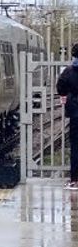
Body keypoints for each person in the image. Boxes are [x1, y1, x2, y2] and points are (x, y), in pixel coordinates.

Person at [56, 45, 78, 189]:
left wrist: (66, 95)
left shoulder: (68, 71)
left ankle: (75, 180)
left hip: (76, 113)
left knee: (76, 146)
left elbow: (60, 87)